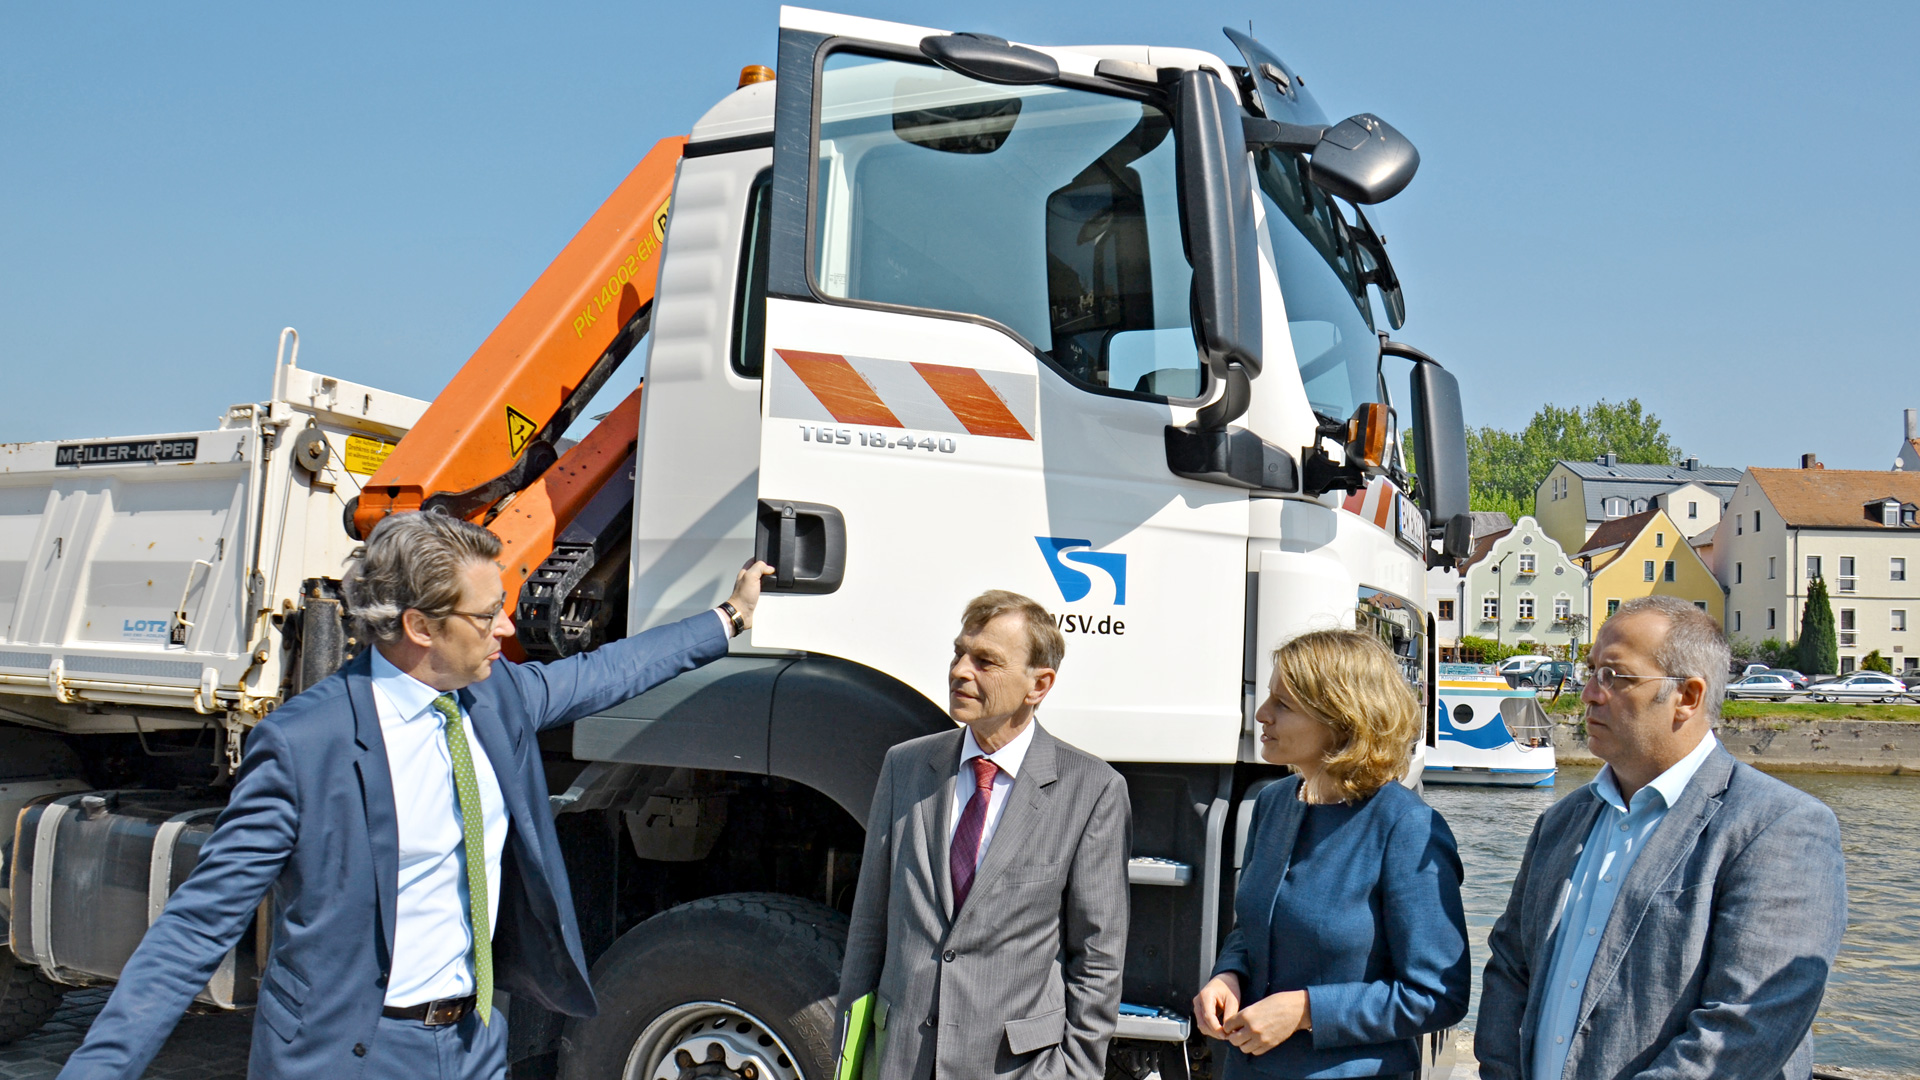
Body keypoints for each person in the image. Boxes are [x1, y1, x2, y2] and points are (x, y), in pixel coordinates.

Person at [60, 512, 772, 1080]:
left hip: (474, 1042)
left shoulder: (497, 698)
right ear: (419, 627)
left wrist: (728, 618)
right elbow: (196, 927)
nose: (505, 629)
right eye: (487, 614)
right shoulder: (308, 743)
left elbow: (608, 670)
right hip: (348, 1056)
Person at [1476, 595, 1847, 1080]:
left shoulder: (1780, 827)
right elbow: (1510, 970)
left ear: (1687, 697)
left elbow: (1746, 1029)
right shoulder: (1561, 823)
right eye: (1591, 672)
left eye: (1615, 676)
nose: (1588, 693)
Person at [835, 590, 1131, 1080]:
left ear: (1039, 685)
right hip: (900, 1060)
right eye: (958, 652)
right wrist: (852, 1053)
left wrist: (1075, 1073)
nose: (959, 671)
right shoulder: (904, 766)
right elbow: (870, 923)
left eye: (985, 661)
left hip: (1013, 1068)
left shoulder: (1093, 790)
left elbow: (1098, 957)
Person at [1195, 628, 1469, 1080]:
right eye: (1269, 698)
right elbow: (1255, 929)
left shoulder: (1407, 827)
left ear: (1343, 719)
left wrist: (1306, 1010)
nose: (1262, 714)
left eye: (1283, 705)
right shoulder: (1274, 803)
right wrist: (1228, 975)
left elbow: (1438, 995)